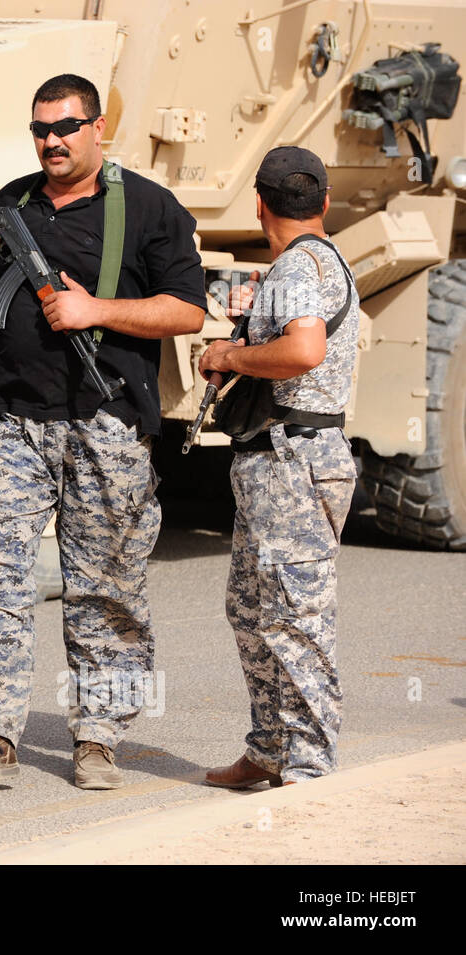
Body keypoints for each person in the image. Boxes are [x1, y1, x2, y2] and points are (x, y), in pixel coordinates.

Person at [0, 74, 206, 789]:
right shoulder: (13, 202)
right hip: (16, 417)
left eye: (66, 127)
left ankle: (99, 738)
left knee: (105, 584)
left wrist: (97, 311)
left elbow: (186, 312)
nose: (52, 141)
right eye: (41, 130)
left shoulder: (149, 207)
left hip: (107, 422)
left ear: (98, 127)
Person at [199, 146, 359, 788]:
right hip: (281, 462)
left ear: (258, 204)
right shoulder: (320, 260)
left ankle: (310, 768)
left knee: (296, 618)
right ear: (322, 203)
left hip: (294, 461)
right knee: (252, 610)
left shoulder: (296, 266)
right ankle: (270, 747)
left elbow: (304, 351)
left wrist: (231, 358)